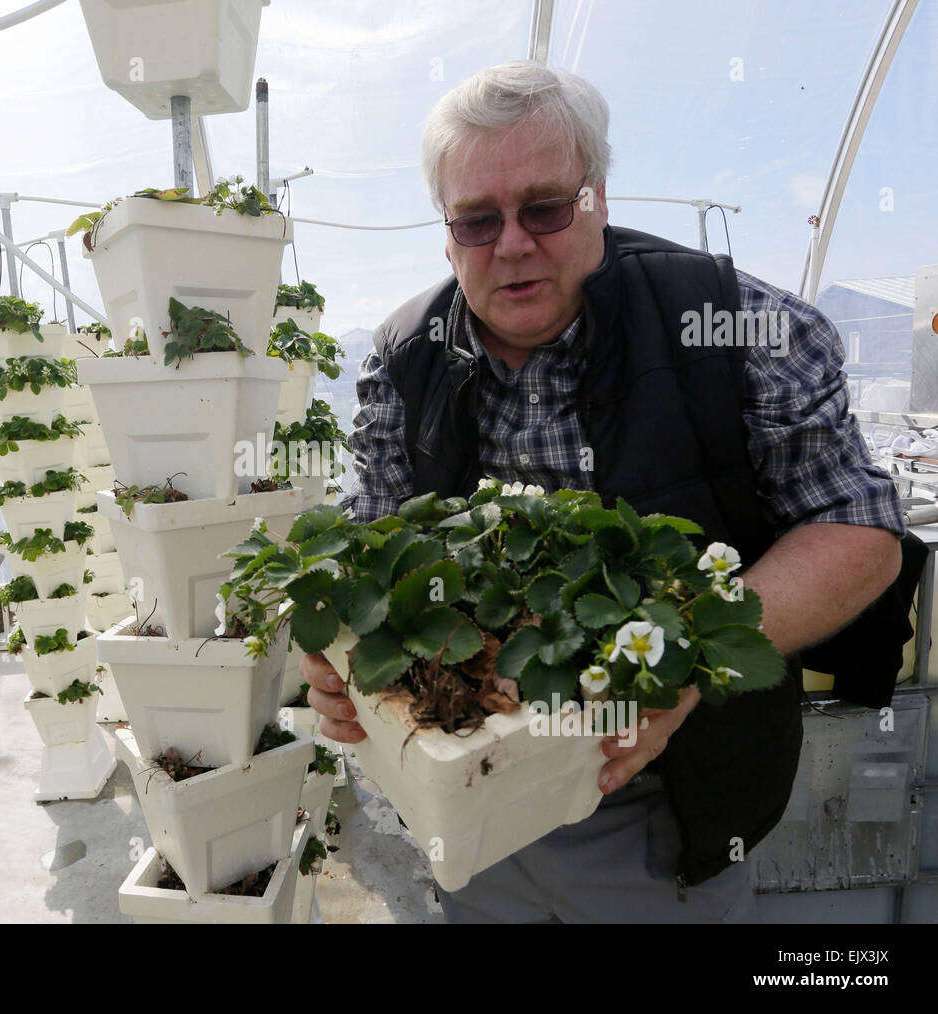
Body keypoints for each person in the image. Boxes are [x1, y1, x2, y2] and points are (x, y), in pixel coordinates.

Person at [303, 62, 905, 923]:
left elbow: (858, 526)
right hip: (469, 802)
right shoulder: (403, 359)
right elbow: (367, 536)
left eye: (545, 207)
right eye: (477, 220)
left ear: (599, 199)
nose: (511, 243)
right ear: (446, 233)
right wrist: (338, 658)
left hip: (676, 810)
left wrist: (686, 655)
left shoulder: (737, 326)